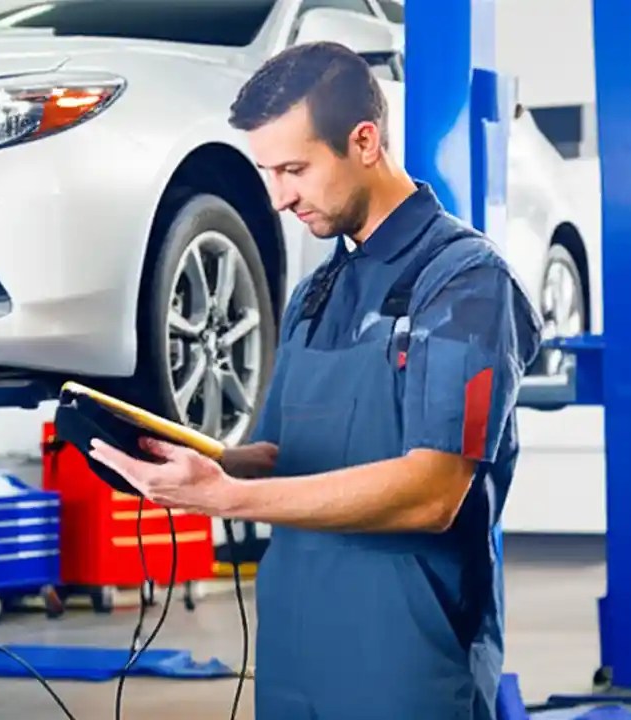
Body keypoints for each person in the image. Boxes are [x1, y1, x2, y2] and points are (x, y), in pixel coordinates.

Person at [88, 41, 541, 719]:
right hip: (295, 656)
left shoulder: (465, 283)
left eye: (294, 169)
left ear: (364, 142)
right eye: (268, 171)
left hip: (407, 666)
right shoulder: (313, 294)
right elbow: (274, 458)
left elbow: (433, 493)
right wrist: (191, 460)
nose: (276, 198)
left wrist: (225, 501)